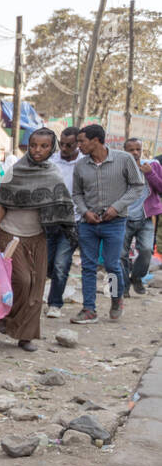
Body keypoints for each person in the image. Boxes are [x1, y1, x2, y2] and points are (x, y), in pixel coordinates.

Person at [0, 128, 75, 351]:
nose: (37, 150)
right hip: (11, 234)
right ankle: (8, 318)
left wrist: (66, 226)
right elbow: (3, 201)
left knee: (36, 287)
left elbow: (61, 203)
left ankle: (25, 336)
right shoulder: (15, 170)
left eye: (44, 146)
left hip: (38, 237)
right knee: (22, 281)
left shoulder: (53, 173)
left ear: (51, 148)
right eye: (34, 145)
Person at [70, 123, 146, 323]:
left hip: (115, 223)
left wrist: (117, 207)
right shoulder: (80, 165)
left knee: (112, 265)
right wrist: (85, 212)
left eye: (81, 141)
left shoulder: (124, 159)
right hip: (88, 224)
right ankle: (89, 309)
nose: (78, 146)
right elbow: (76, 193)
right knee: (88, 266)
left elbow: (137, 187)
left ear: (96, 141)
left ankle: (115, 298)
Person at [45, 127, 80, 318]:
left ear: (78, 144)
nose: (64, 148)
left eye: (69, 145)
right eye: (62, 144)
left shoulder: (84, 163)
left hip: (72, 221)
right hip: (50, 220)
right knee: (48, 263)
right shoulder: (52, 161)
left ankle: (55, 304)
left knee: (61, 264)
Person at [121, 137, 159, 297]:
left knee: (146, 250)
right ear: (125, 151)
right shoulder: (119, 167)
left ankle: (136, 277)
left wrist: (150, 174)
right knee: (120, 255)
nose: (135, 153)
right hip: (123, 218)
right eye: (131, 150)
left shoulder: (152, 165)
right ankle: (123, 286)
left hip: (145, 218)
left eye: (138, 149)